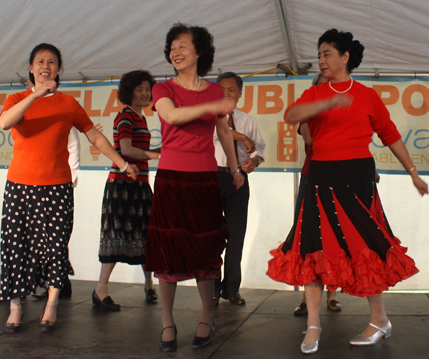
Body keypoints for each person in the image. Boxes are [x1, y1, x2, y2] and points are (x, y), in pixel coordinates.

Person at [267, 29, 428, 355]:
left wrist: (413, 173)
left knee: (367, 246)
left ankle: (380, 319)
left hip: (358, 178)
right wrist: (326, 100)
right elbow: (290, 115)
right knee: (312, 249)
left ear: (345, 57)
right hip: (321, 176)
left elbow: (390, 134)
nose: (322, 59)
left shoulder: (368, 95)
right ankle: (313, 324)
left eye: (327, 53)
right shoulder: (315, 95)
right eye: (320, 54)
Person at [0, 43, 139, 334]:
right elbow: (4, 122)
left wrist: (123, 164)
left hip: (57, 187)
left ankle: (51, 304)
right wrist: (36, 95)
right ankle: (15, 306)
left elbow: (95, 138)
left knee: (55, 246)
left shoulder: (69, 104)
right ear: (31, 68)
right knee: (15, 245)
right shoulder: (17, 98)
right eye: (40, 61)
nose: (45, 66)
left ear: (59, 69)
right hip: (19, 186)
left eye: (51, 62)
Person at [144, 23, 244, 352]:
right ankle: (167, 321)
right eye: (172, 46)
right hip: (171, 176)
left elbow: (225, 133)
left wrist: (234, 167)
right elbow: (171, 117)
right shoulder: (162, 88)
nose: (176, 51)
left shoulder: (216, 91)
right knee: (168, 250)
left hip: (204, 177)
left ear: (199, 52)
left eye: (183, 45)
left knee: (206, 249)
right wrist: (211, 107)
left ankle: (207, 317)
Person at [0, 84, 77, 301]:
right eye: (32, 84)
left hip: (56, 184)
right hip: (24, 183)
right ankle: (18, 292)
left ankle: (56, 287)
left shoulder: (62, 107)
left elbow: (73, 149)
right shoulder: (22, 101)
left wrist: (69, 181)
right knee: (21, 240)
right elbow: (3, 118)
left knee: (53, 241)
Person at [92, 70, 160, 310]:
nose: (144, 93)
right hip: (121, 186)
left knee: (147, 235)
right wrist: (155, 153)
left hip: (141, 185)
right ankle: (101, 289)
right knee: (115, 236)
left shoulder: (141, 117)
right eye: (139, 89)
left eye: (147, 89)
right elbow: (126, 149)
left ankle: (149, 283)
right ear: (128, 91)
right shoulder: (125, 116)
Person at [213, 72, 266, 307]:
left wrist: (253, 162)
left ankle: (231, 289)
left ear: (240, 93)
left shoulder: (248, 120)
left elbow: (259, 150)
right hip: (213, 177)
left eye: (232, 89)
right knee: (212, 236)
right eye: (222, 89)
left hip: (239, 180)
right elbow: (221, 131)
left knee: (236, 235)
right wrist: (242, 136)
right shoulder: (209, 117)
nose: (226, 93)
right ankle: (212, 289)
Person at [293, 73, 341, 316]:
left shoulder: (343, 115)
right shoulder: (307, 115)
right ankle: (306, 297)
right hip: (312, 175)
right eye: (320, 86)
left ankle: (333, 294)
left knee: (334, 235)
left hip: (338, 177)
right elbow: (312, 138)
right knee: (308, 237)